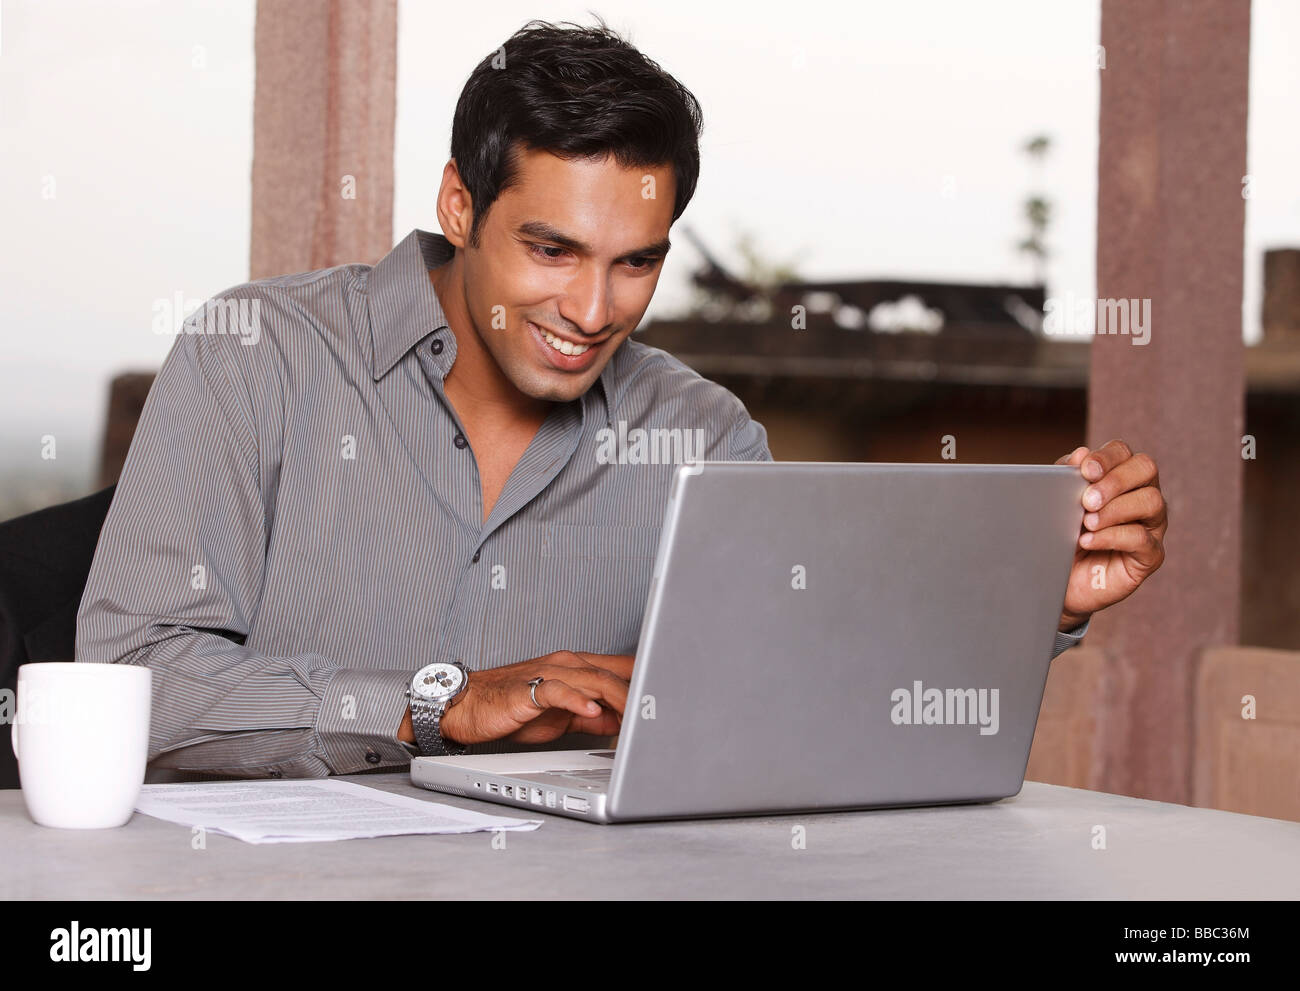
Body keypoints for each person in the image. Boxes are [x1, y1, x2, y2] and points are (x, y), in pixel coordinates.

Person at [76, 18, 1167, 780]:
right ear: (460, 203)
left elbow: (814, 690)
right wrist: (435, 699)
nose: (592, 309)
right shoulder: (257, 355)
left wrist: (1042, 596)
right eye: (550, 248)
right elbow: (129, 683)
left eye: (634, 262)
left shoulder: (700, 435)